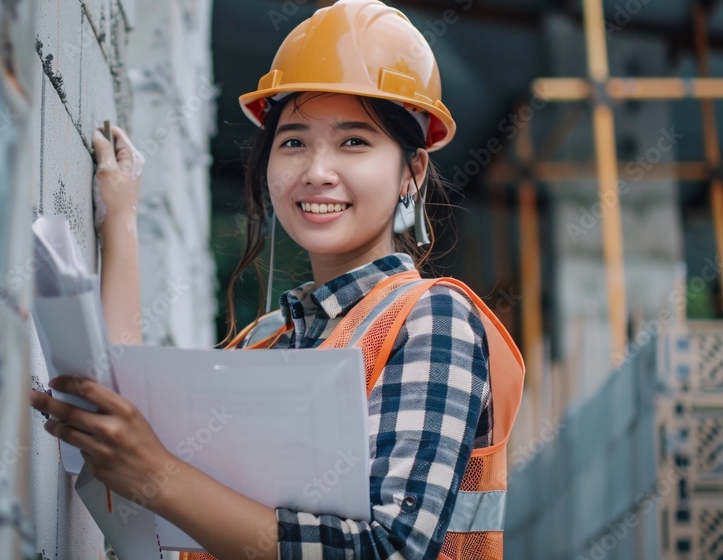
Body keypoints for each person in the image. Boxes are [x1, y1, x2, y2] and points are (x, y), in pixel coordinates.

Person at [29, 1, 523, 558]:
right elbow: (130, 411)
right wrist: (119, 220)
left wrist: (157, 473)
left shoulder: (433, 321)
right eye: (293, 142)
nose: (316, 171)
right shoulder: (269, 339)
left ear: (411, 171)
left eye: (354, 141)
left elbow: (390, 550)